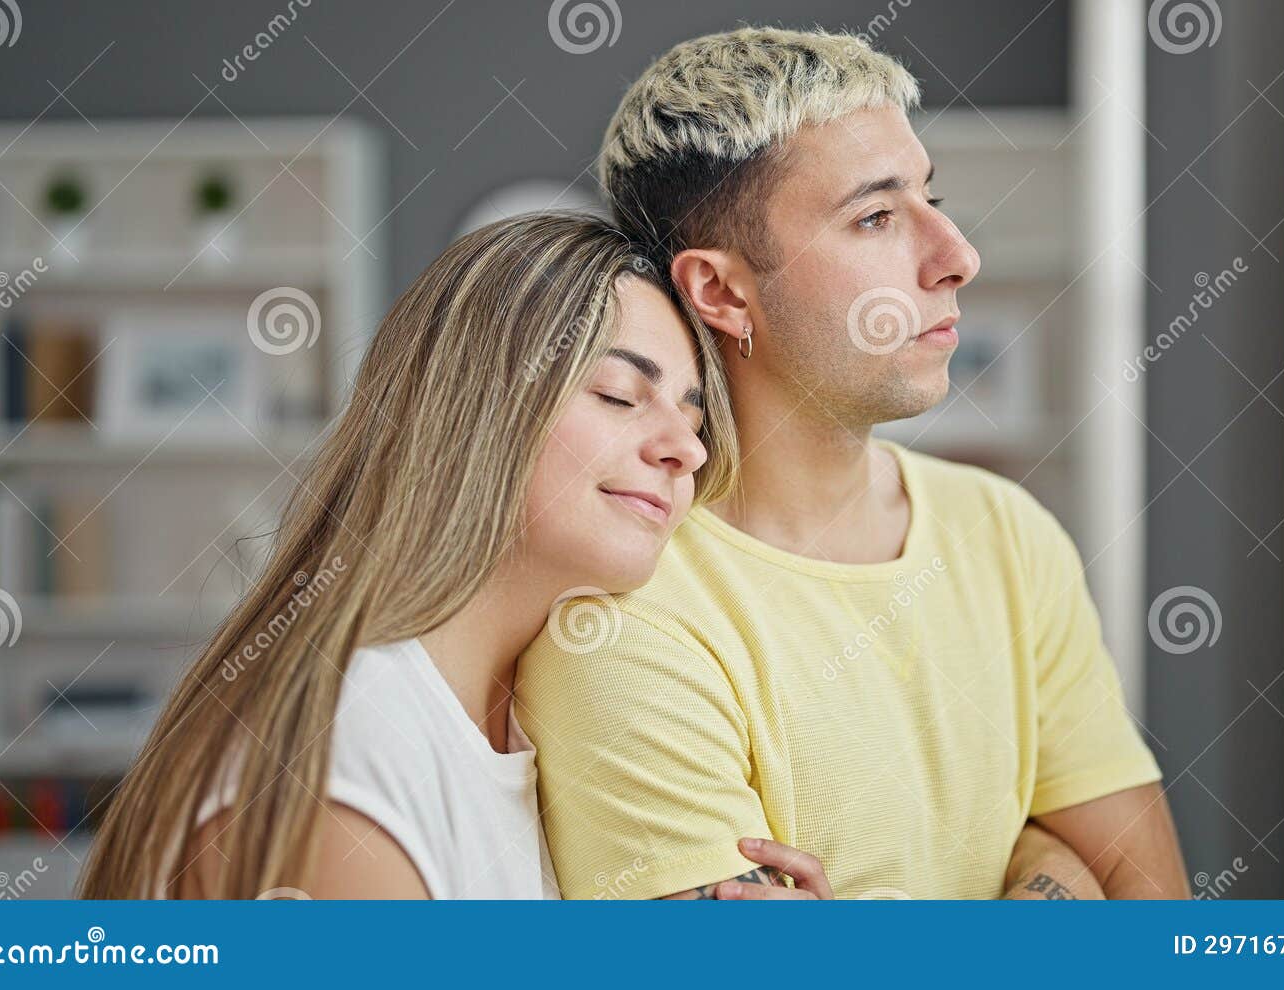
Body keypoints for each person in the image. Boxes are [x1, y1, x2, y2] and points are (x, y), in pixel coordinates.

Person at [516, 27, 1190, 900]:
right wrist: (1049, 871)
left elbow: (1160, 916)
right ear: (722, 292)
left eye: (929, 198)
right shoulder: (625, 626)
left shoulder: (1007, 535)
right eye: (875, 217)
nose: (956, 257)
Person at [76, 212, 827, 899]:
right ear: (479, 410)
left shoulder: (530, 723)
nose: (686, 449)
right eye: (620, 394)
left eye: (694, 418)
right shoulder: (349, 763)